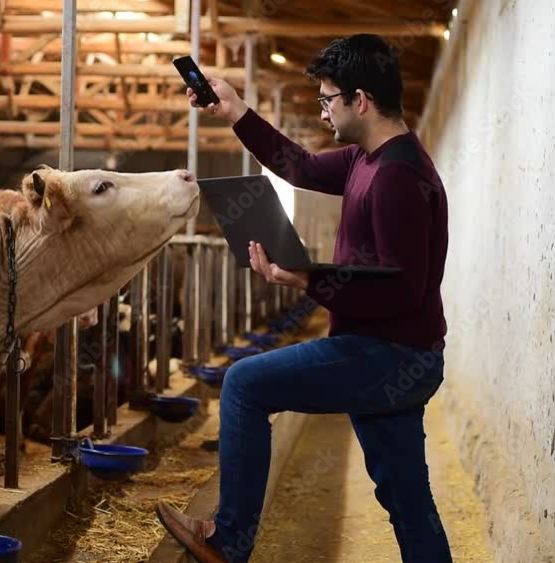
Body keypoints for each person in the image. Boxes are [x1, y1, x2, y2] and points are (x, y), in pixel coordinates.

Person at [154, 34, 453, 563]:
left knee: (245, 384)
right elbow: (301, 167)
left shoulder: (397, 177)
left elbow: (403, 287)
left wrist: (304, 280)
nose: (322, 112)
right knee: (407, 500)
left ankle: (228, 543)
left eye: (326, 100)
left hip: (390, 353)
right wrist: (236, 111)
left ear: (360, 100)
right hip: (397, 352)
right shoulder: (370, 158)